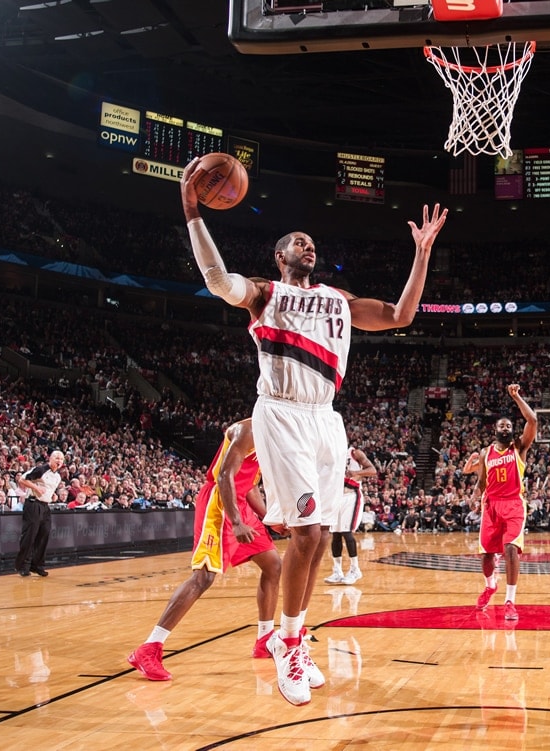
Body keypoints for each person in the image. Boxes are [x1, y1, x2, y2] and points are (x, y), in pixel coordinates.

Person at [181, 159, 447, 706]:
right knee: (305, 535)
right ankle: (291, 642)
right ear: (280, 258)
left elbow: (399, 314)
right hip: (279, 412)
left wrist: (421, 255)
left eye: (311, 242)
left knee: (321, 536)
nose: (308, 245)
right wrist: (191, 211)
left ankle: (292, 637)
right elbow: (215, 280)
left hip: (326, 417)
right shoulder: (263, 294)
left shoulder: (337, 301)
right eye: (297, 242)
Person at [127, 419, 284, 683]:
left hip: (240, 503)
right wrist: (236, 522)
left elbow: (250, 486)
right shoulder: (247, 430)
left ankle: (264, 639)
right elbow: (224, 477)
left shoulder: (272, 436)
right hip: (220, 503)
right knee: (204, 578)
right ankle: (149, 648)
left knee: (273, 565)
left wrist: (269, 519)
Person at [462, 383, 538, 621]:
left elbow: (533, 421)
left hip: (514, 503)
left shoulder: (519, 448)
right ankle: (490, 585)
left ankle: (510, 601)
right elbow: (482, 481)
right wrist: (475, 497)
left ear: (512, 430)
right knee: (486, 555)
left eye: (509, 425)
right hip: (491, 505)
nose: (505, 427)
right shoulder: (486, 453)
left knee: (510, 550)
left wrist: (517, 397)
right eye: (501, 425)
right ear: (495, 430)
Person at [326, 445, 377, 585]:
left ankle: (355, 569)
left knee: (347, 533)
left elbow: (373, 470)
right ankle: (337, 571)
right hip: (336, 497)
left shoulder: (355, 453)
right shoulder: (331, 454)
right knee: (335, 534)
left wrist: (357, 473)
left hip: (351, 495)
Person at [14, 450, 65, 577]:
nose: (59, 461)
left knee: (44, 535)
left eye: (61, 459)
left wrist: (52, 495)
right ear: (50, 459)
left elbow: (47, 489)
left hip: (45, 506)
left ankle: (37, 565)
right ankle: (22, 566)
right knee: (30, 535)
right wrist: (36, 488)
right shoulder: (41, 469)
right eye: (56, 458)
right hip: (33, 504)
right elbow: (22, 480)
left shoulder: (57, 476)